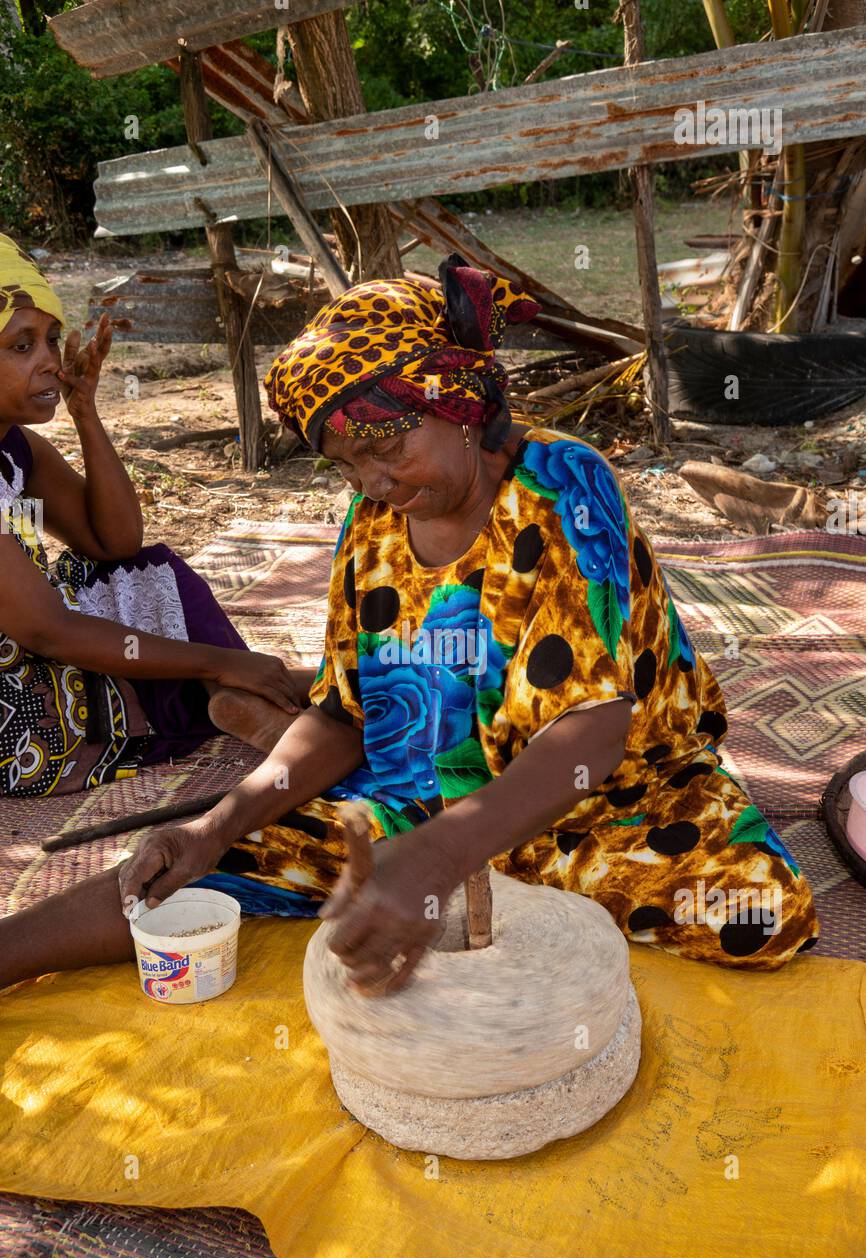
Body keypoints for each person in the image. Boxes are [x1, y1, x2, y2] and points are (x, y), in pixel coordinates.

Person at [0, 255, 819, 993]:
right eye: (347, 461)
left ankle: (463, 877)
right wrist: (216, 826)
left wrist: (437, 857)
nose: (374, 479)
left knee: (754, 915)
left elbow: (595, 733)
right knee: (193, 873)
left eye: (386, 443)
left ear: (457, 400)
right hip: (422, 794)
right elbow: (345, 714)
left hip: (602, 802)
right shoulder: (372, 525)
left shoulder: (563, 483)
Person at [0, 234, 312, 798]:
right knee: (75, 666)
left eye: (50, 339)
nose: (49, 361)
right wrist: (215, 662)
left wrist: (87, 414)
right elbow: (47, 631)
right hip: (16, 687)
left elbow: (116, 543)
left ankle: (246, 694)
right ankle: (241, 692)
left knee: (146, 573)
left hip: (26, 637)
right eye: (21, 347)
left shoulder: (15, 447)